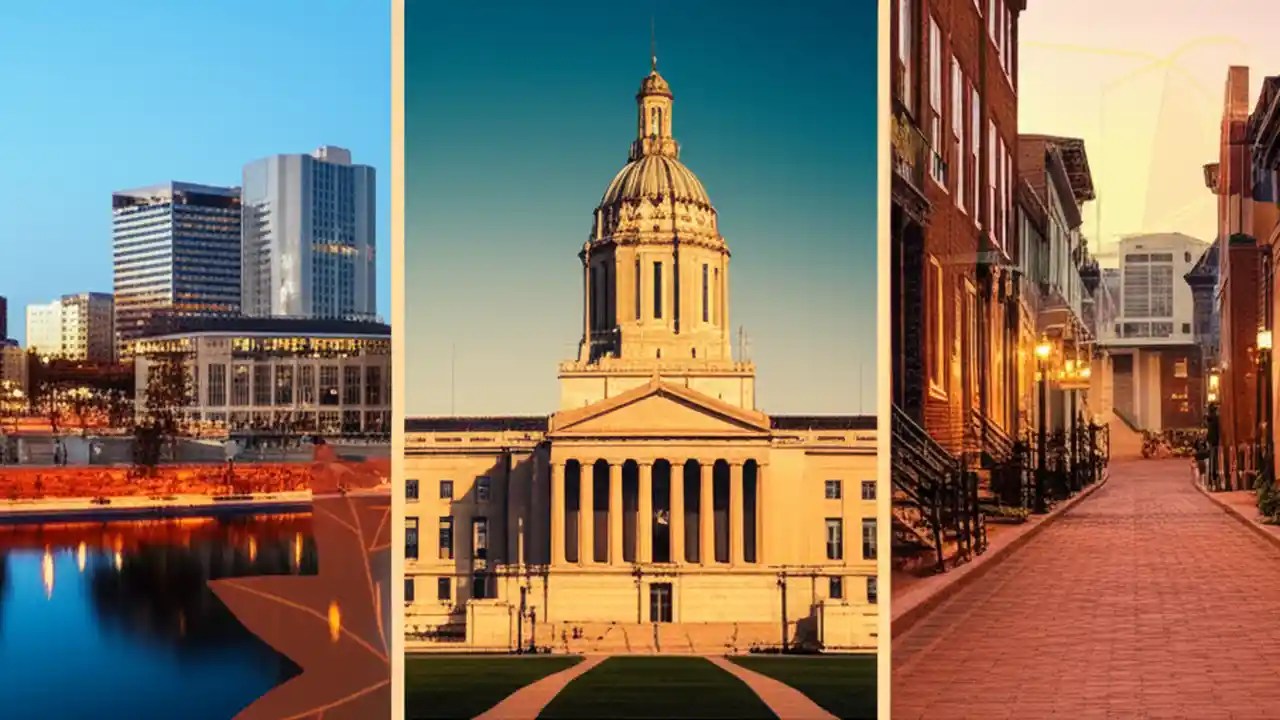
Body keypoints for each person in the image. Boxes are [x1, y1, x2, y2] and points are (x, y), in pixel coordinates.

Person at [1205, 403, 1221, 490]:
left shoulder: (1209, 419)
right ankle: (1214, 478)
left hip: (1211, 441)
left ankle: (1211, 480)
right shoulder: (1216, 418)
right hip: (1215, 442)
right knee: (1214, 460)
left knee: (1211, 460)